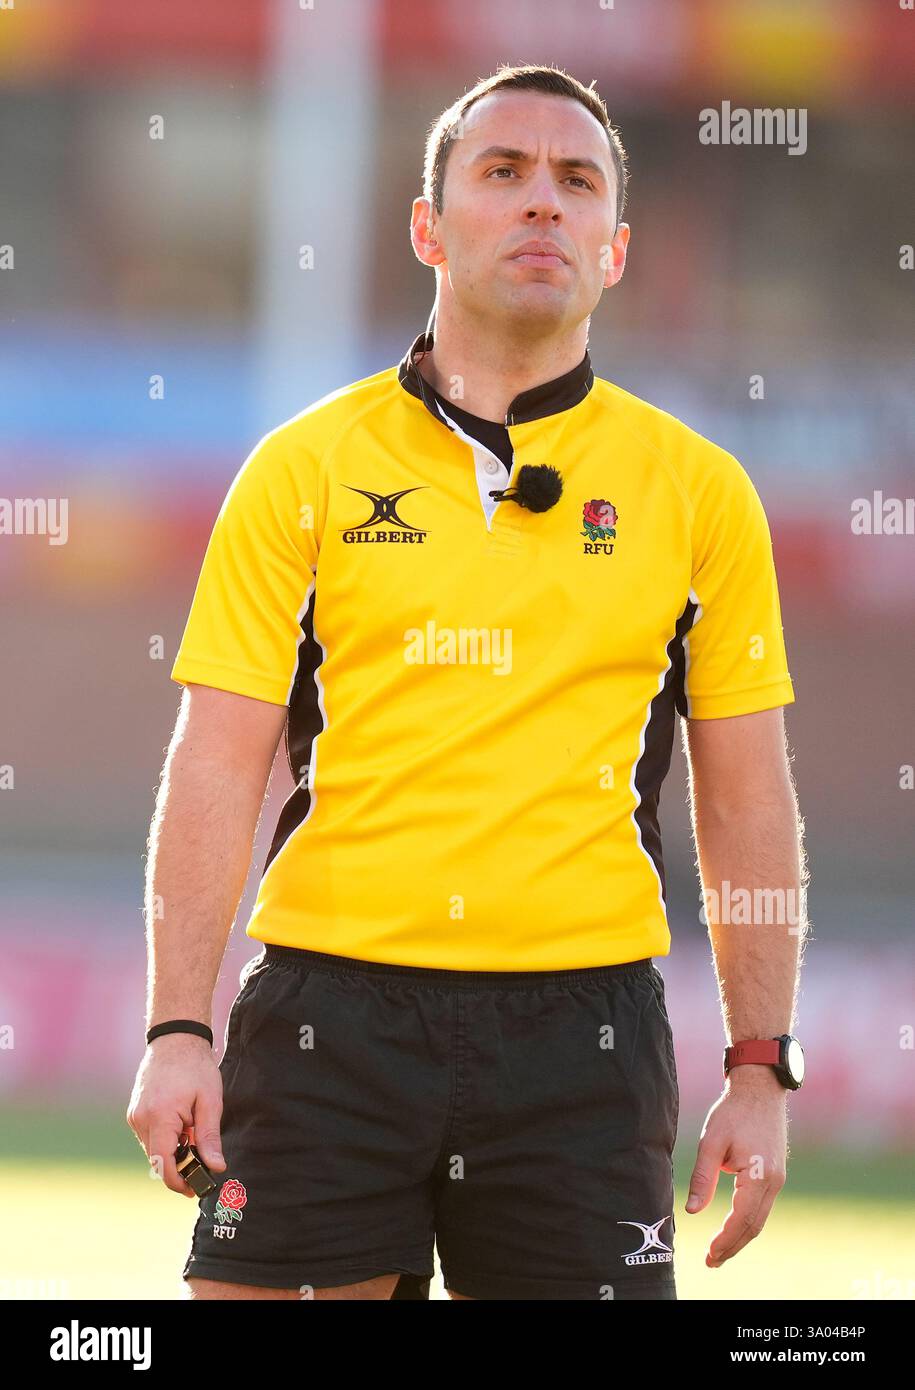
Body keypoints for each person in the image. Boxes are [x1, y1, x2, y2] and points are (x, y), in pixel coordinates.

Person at [127, 63, 807, 1302]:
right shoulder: (302, 470)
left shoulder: (702, 493)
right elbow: (217, 758)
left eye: (576, 181)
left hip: (583, 1042)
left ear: (614, 247)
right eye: (503, 173)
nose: (542, 202)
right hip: (329, 1019)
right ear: (428, 228)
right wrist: (179, 1026)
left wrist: (760, 1062)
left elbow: (749, 797)